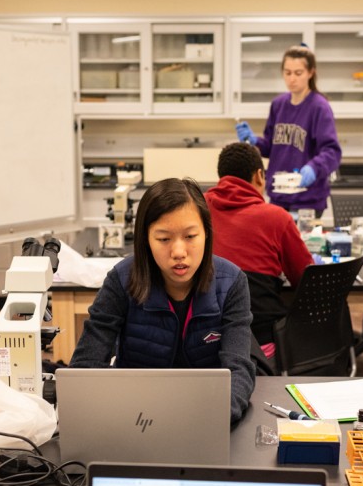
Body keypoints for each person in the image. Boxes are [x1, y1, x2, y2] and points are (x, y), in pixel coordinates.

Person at [69, 178, 256, 422]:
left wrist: (213, 418)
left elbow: (239, 370)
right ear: (145, 239)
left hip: (208, 418)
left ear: (206, 234)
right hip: (134, 420)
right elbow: (84, 368)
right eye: (164, 239)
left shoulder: (231, 282)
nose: (179, 252)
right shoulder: (121, 280)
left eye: (190, 236)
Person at [204, 142, 313, 352]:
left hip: (205, 339)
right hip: (261, 339)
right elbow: (304, 279)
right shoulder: (277, 217)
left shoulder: (198, 209)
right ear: (259, 176)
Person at [234, 45, 341, 216]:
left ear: (310, 73)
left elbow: (332, 151)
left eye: (298, 73)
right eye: (287, 72)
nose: (292, 79)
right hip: (278, 196)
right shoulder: (278, 105)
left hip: (308, 199)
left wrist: (314, 168)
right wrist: (254, 141)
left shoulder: (319, 107)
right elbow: (271, 146)